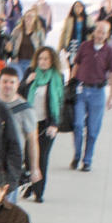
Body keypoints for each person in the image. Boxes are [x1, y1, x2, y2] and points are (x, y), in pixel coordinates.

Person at [70, 20, 112, 171]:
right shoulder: (85, 46)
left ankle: (87, 160)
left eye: (103, 32)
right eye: (98, 31)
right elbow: (76, 66)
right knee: (77, 125)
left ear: (107, 35)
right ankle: (77, 156)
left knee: (93, 128)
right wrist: (70, 85)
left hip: (98, 92)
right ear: (94, 31)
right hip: (81, 90)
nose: (100, 35)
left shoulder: (109, 51)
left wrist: (111, 96)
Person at [22, 46, 65, 202]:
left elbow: (59, 103)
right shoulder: (31, 73)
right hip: (29, 123)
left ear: (52, 60)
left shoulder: (57, 77)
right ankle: (30, 185)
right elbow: (19, 94)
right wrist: (27, 81)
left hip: (47, 124)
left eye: (46, 58)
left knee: (42, 158)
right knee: (28, 157)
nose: (43, 62)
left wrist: (55, 124)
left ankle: (39, 192)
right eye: (40, 58)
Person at [0, 66, 41, 203]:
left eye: (12, 82)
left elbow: (33, 140)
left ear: (18, 84)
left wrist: (34, 168)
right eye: (5, 81)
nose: (8, 85)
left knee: (7, 209)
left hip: (12, 167)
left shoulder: (26, 110)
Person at [8, 9, 46, 82]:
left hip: (33, 63)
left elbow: (42, 49)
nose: (29, 18)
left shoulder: (39, 32)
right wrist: (13, 55)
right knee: (19, 80)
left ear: (35, 19)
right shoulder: (17, 31)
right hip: (18, 62)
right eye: (27, 16)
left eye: (31, 17)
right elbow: (10, 45)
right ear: (24, 18)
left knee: (29, 82)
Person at [58, 1, 89, 69]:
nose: (78, 8)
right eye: (76, 7)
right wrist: (60, 47)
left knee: (82, 67)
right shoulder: (69, 19)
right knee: (72, 66)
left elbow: (93, 30)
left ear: (83, 8)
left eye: (80, 6)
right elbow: (64, 33)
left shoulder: (87, 19)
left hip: (84, 46)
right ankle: (72, 79)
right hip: (72, 47)